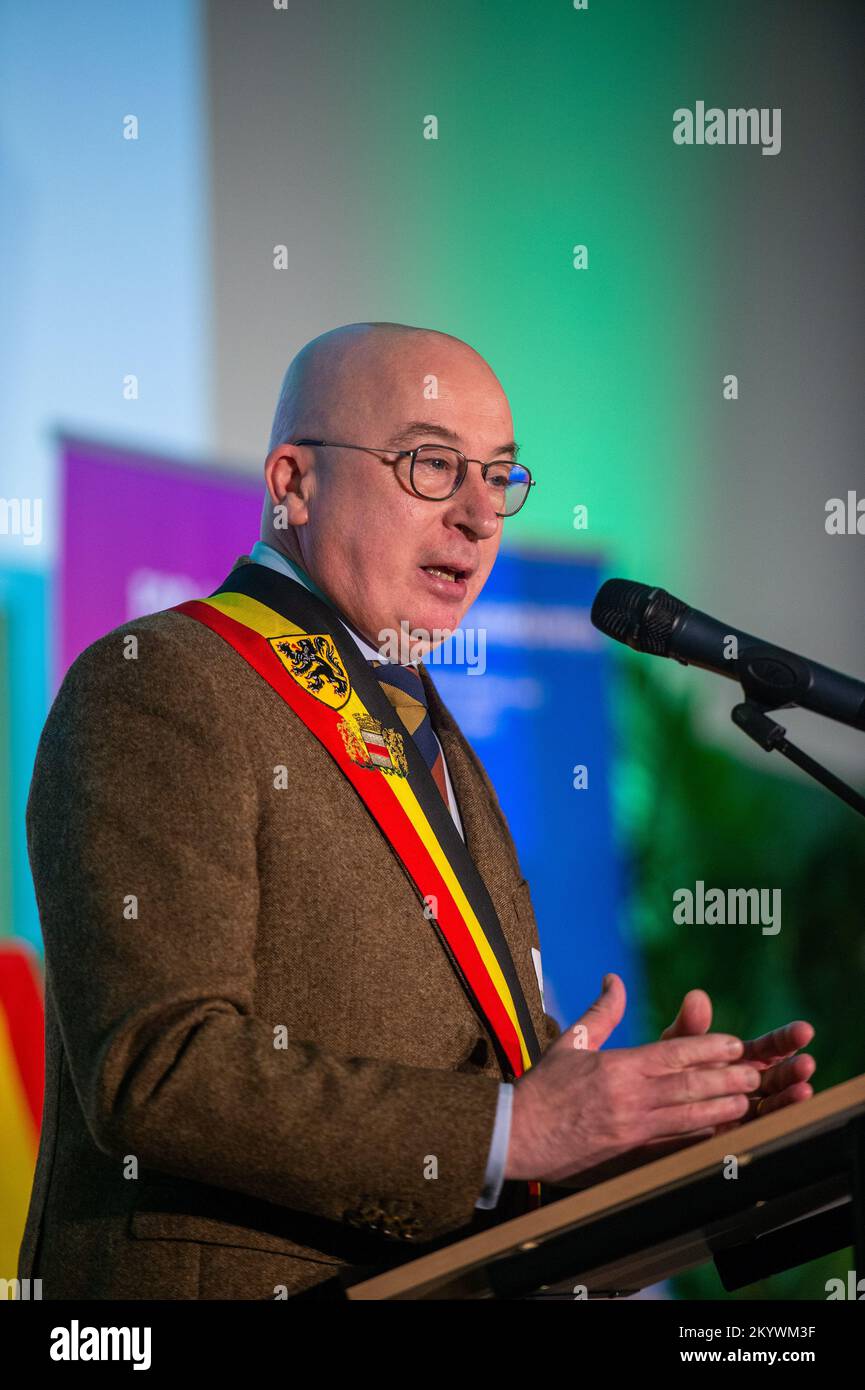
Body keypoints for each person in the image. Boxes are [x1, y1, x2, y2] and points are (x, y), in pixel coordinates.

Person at [19, 322, 815, 1299]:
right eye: (432, 465)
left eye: (501, 477)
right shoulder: (160, 685)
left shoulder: (443, 747)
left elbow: (479, 1109)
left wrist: (639, 1134)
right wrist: (516, 1129)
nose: (481, 515)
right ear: (292, 483)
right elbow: (156, 1066)